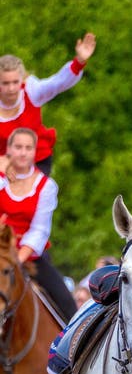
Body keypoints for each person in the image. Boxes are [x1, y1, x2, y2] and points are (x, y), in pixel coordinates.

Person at [0, 127, 75, 321]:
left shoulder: (46, 186)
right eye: (18, 147)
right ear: (9, 149)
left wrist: (16, 260)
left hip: (29, 257)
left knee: (67, 303)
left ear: (35, 152)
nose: (23, 152)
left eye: (28, 147)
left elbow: (39, 231)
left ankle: (76, 348)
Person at [0, 33, 96, 175]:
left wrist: (79, 62)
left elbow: (57, 83)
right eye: (5, 83)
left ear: (21, 80)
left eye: (15, 82)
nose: (11, 88)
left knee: (33, 194)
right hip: (5, 165)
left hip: (37, 160)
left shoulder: (31, 91)